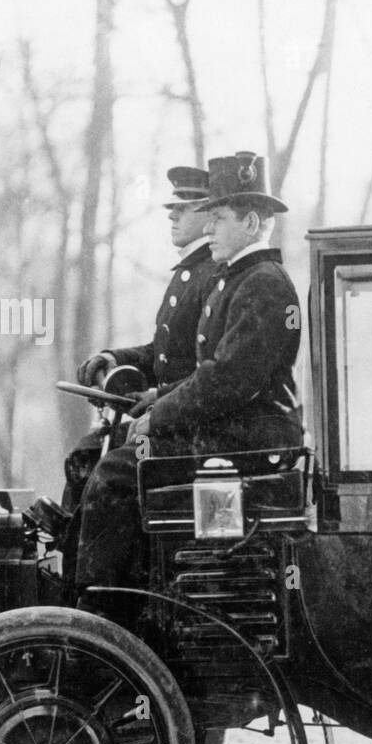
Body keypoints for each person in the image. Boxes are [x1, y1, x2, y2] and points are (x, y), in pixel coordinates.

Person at [72, 151, 302, 621]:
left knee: (117, 475)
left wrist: (159, 416)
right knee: (117, 463)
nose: (209, 228)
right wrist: (159, 399)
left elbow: (227, 380)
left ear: (252, 222)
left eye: (218, 218)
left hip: (255, 437)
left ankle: (102, 617)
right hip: (240, 432)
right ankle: (107, 605)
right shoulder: (240, 278)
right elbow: (210, 373)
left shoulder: (263, 283)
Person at [63, 165, 217, 513]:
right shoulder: (190, 272)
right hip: (171, 415)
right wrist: (115, 359)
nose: (172, 216)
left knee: (107, 473)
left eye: (184, 208)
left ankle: (94, 568)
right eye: (171, 209)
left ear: (210, 215)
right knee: (87, 454)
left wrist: (156, 399)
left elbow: (209, 372)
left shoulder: (211, 274)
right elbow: (162, 354)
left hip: (187, 424)